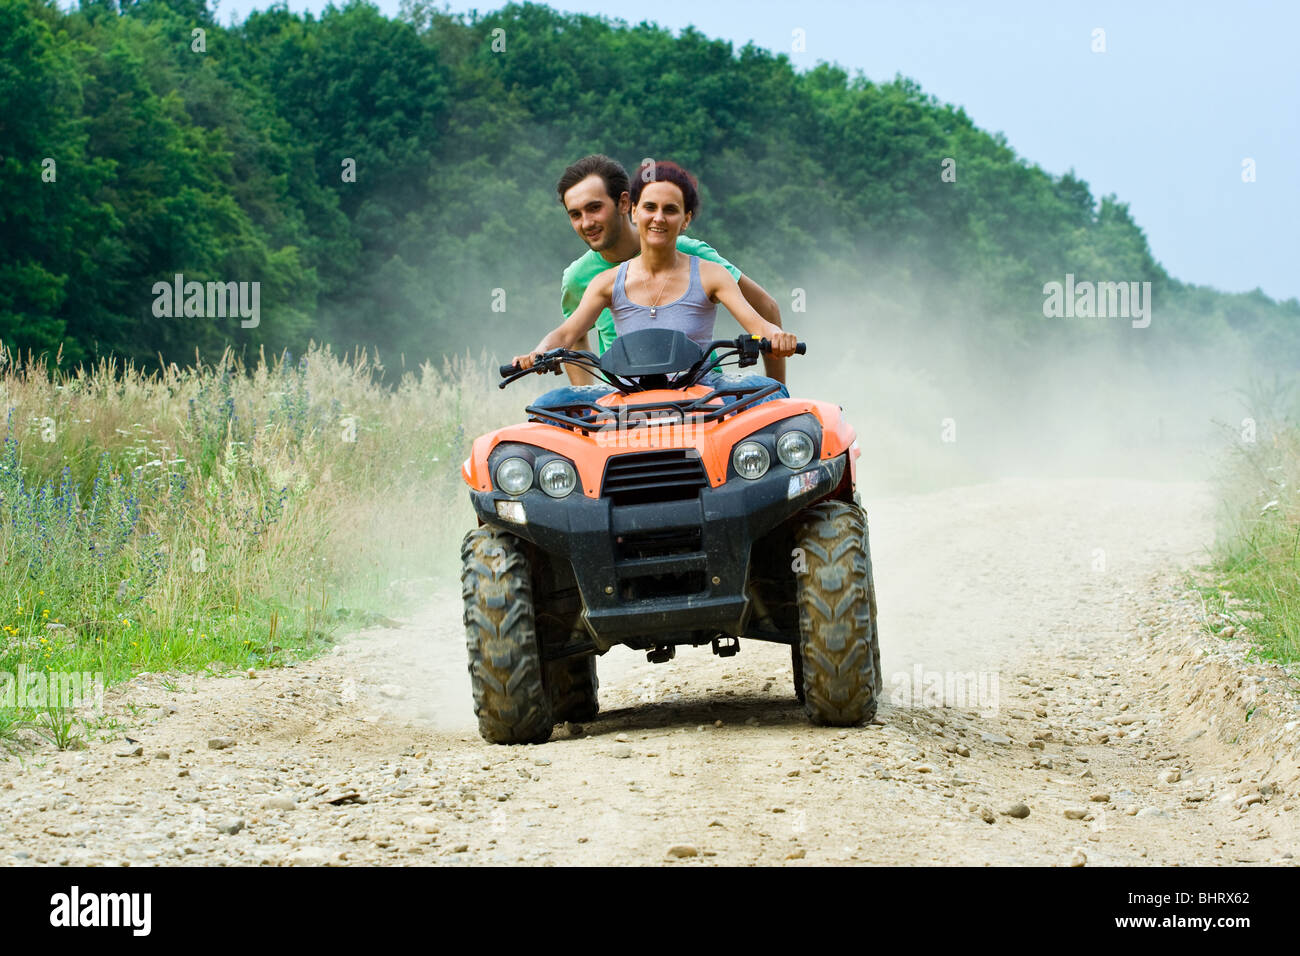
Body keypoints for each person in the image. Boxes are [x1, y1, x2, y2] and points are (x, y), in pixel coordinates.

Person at [513, 160, 797, 411]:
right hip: (625, 392)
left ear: (686, 219)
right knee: (546, 407)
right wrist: (540, 352)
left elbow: (759, 322)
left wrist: (777, 340)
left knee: (771, 398)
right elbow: (568, 334)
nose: (658, 218)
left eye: (670, 210)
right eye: (650, 208)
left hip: (700, 388)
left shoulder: (707, 270)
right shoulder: (600, 281)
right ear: (635, 211)